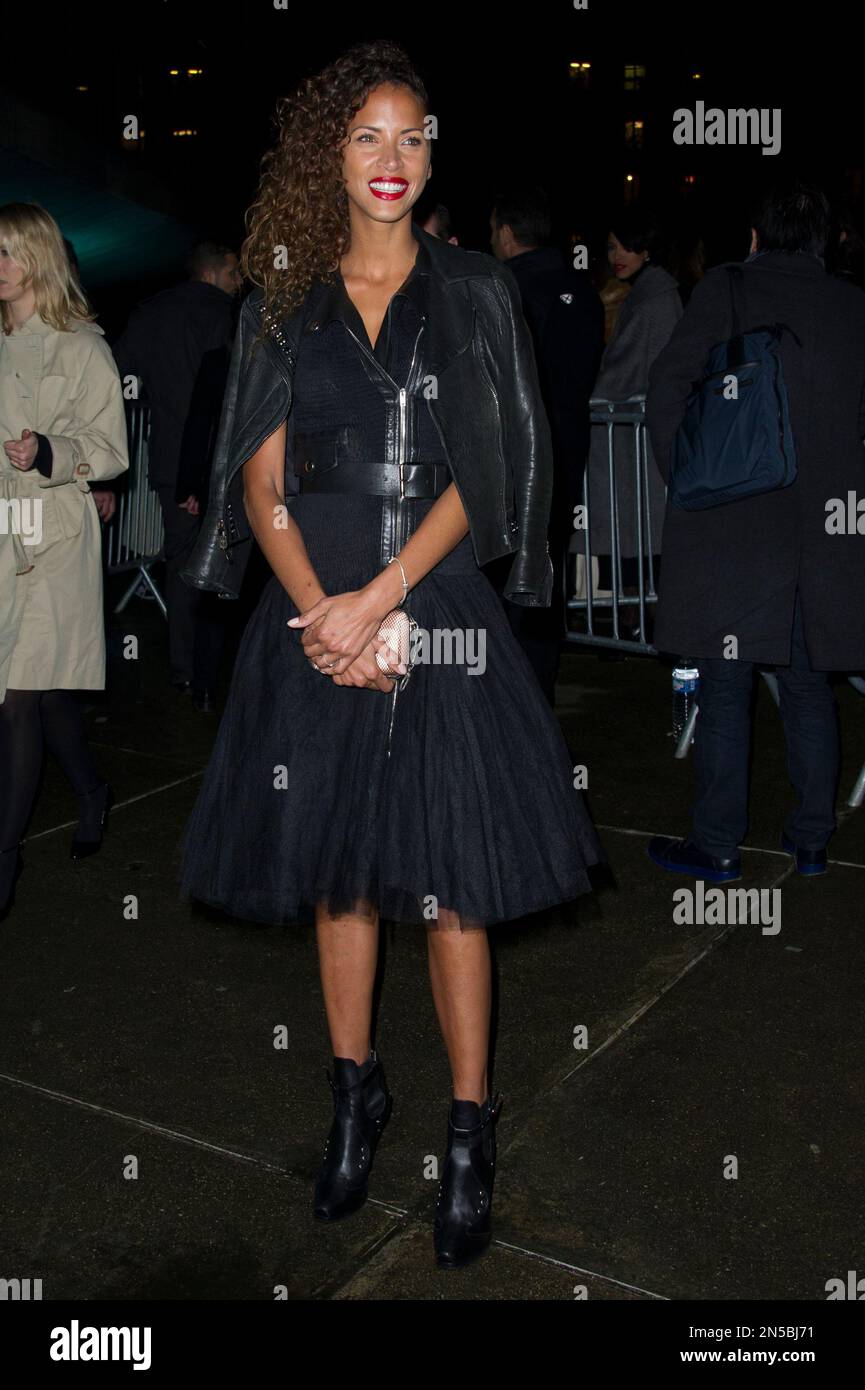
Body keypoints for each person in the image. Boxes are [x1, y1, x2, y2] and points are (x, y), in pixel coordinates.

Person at [177, 41, 603, 1269]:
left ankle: (468, 1134)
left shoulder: (475, 288)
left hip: (437, 602)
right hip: (313, 618)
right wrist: (324, 613)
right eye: (368, 134)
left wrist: (383, 596)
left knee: (454, 883)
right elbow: (258, 478)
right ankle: (354, 1099)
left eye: (413, 136)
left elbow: (493, 466)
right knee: (343, 879)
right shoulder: (282, 291)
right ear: (331, 151)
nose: (391, 157)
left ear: (431, 158)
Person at [645, 180, 865, 880]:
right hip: (821, 534)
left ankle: (716, 845)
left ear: (754, 235)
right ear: (825, 241)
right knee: (806, 685)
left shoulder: (727, 288)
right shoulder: (851, 305)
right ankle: (811, 840)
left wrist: (689, 473)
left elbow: (667, 387)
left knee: (725, 686)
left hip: (732, 525)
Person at [0, 202, 129, 918]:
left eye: (9, 252)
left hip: (51, 534)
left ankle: (4, 858)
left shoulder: (82, 348)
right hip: (2, 529)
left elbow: (111, 450)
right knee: (43, 695)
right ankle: (91, 791)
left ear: (40, 258)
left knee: (20, 695)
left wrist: (50, 450)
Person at [112, 240, 241, 710]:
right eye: (234, 271)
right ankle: (213, 672)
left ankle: (183, 668)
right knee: (225, 561)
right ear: (214, 272)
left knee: (182, 562)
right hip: (225, 463)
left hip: (170, 463)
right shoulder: (227, 315)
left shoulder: (152, 313)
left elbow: (115, 374)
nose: (239, 281)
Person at [488, 188, 605, 704]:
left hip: (512, 461)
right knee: (544, 571)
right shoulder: (582, 292)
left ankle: (507, 696)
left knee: (503, 575)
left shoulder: (504, 291)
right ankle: (535, 691)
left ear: (506, 233)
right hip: (564, 456)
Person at [584, 209, 682, 607]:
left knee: (637, 544)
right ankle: (633, 619)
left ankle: (635, 621)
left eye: (626, 246)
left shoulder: (654, 299)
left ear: (647, 248)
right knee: (635, 541)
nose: (617, 255)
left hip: (636, 444)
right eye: (611, 247)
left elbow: (628, 370)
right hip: (632, 445)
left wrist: (588, 394)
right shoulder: (648, 293)